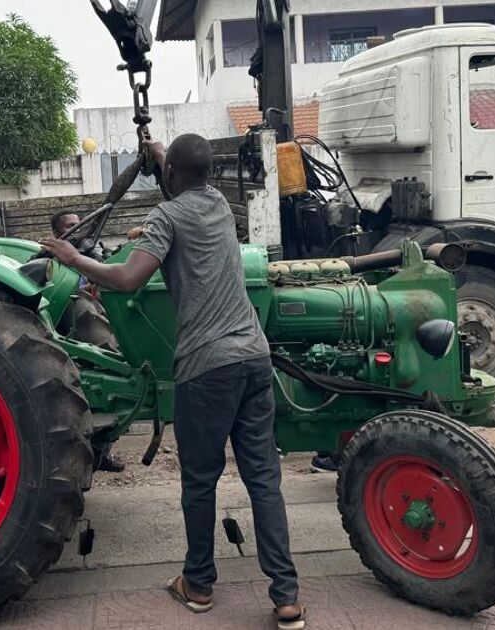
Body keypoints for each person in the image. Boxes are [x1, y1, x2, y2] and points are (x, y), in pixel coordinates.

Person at [41, 134, 305, 629]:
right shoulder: (220, 205)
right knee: (263, 480)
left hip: (207, 367)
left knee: (200, 482)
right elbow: (182, 175)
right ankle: (287, 597)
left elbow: (126, 279)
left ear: (171, 177)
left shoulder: (166, 217)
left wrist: (71, 258)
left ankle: (199, 586)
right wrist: (160, 152)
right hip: (253, 356)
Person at [49, 210, 127, 474]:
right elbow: (62, 288)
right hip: (76, 313)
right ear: (60, 234)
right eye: (72, 226)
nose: (79, 228)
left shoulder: (90, 252)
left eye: (80, 223)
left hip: (97, 307)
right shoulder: (56, 257)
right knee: (113, 375)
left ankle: (100, 454)